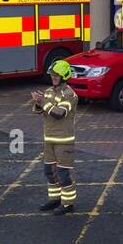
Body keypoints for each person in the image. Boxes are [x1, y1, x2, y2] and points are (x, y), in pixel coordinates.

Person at [32, 58, 78, 213]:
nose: (54, 77)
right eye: (52, 75)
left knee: (64, 174)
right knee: (49, 172)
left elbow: (60, 113)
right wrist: (38, 102)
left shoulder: (69, 94)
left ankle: (67, 204)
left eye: (56, 75)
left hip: (63, 140)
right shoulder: (49, 91)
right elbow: (40, 110)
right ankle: (54, 199)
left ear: (64, 76)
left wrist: (43, 102)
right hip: (49, 138)